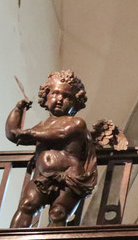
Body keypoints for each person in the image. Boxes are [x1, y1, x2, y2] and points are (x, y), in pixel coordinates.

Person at [6, 70, 98, 227]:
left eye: (67, 96)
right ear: (46, 96)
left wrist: (30, 133)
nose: (60, 99)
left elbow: (60, 134)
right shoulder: (41, 126)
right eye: (55, 93)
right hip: (42, 176)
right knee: (27, 205)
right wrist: (18, 110)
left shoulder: (77, 123)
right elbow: (13, 135)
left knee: (58, 213)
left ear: (76, 102)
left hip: (69, 177)